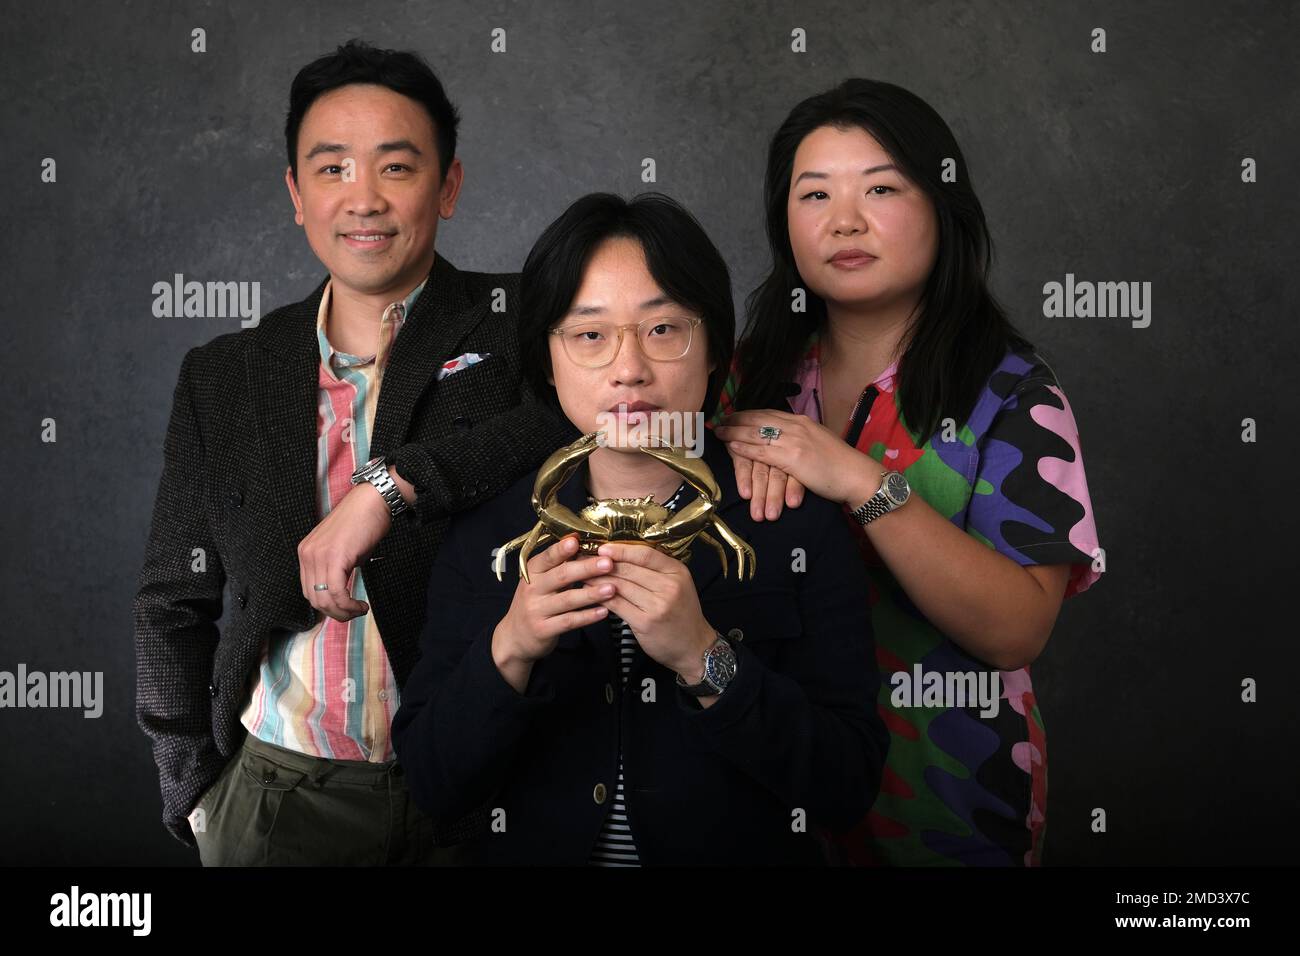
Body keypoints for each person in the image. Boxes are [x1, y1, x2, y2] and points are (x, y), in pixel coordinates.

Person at [133, 40, 576, 865]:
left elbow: (578, 419)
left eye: (396, 168)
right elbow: (171, 601)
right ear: (296, 195)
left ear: (448, 186)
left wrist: (396, 482)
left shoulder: (523, 323)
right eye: (332, 169)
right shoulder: (224, 376)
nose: (362, 199)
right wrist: (194, 792)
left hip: (492, 789)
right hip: (278, 801)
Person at [391, 192, 888, 865]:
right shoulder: (492, 531)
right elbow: (433, 785)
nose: (630, 368)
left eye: (663, 330)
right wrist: (510, 648)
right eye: (590, 335)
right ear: (547, 361)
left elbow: (846, 785)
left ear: (713, 348)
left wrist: (703, 656)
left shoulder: (790, 524)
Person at [712, 79, 1102, 866]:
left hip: (943, 792)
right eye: (813, 193)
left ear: (942, 204)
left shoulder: (1011, 394)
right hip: (761, 785)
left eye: (881, 188)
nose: (844, 221)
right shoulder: (742, 379)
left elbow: (1016, 630)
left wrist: (859, 481)